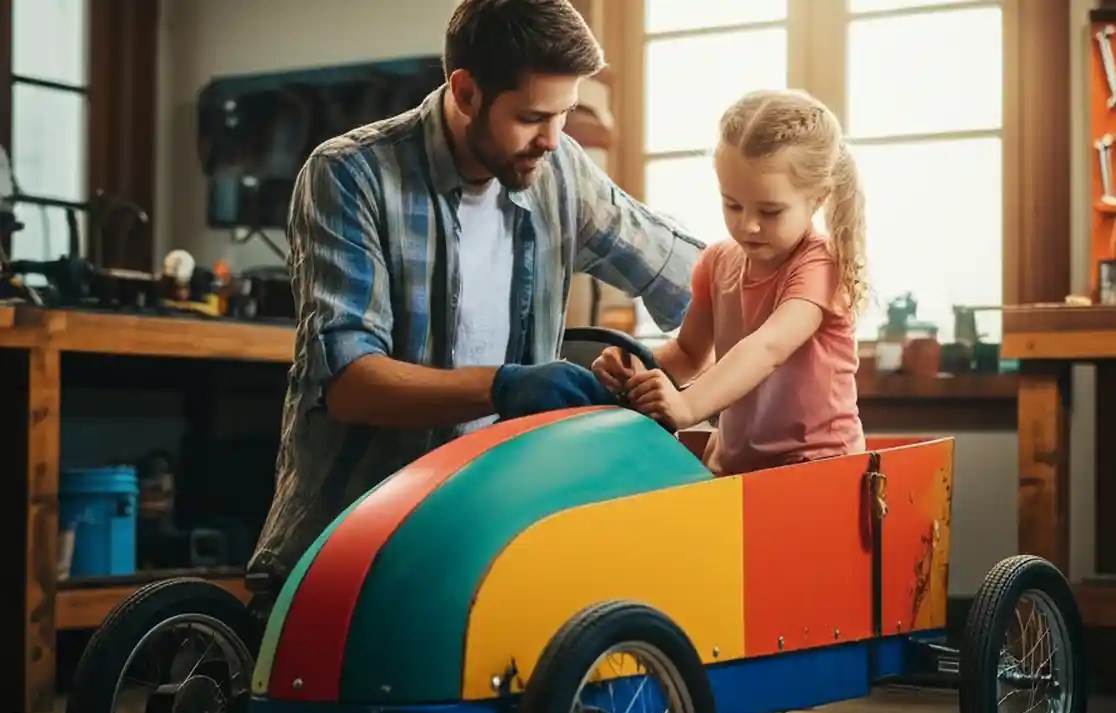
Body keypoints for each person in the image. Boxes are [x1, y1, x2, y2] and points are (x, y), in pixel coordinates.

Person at [246, 0, 706, 597]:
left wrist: (782, 285)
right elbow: (350, 383)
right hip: (359, 539)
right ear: (465, 92)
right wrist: (504, 386)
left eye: (564, 114)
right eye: (532, 116)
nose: (552, 139)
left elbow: (703, 283)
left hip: (503, 536)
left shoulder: (561, 168)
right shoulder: (350, 175)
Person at [592, 88, 867, 476]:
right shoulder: (718, 261)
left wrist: (687, 407)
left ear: (817, 199)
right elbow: (690, 355)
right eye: (732, 204)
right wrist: (637, 369)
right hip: (737, 469)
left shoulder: (820, 264)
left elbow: (767, 347)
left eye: (770, 211)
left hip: (819, 469)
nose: (747, 225)